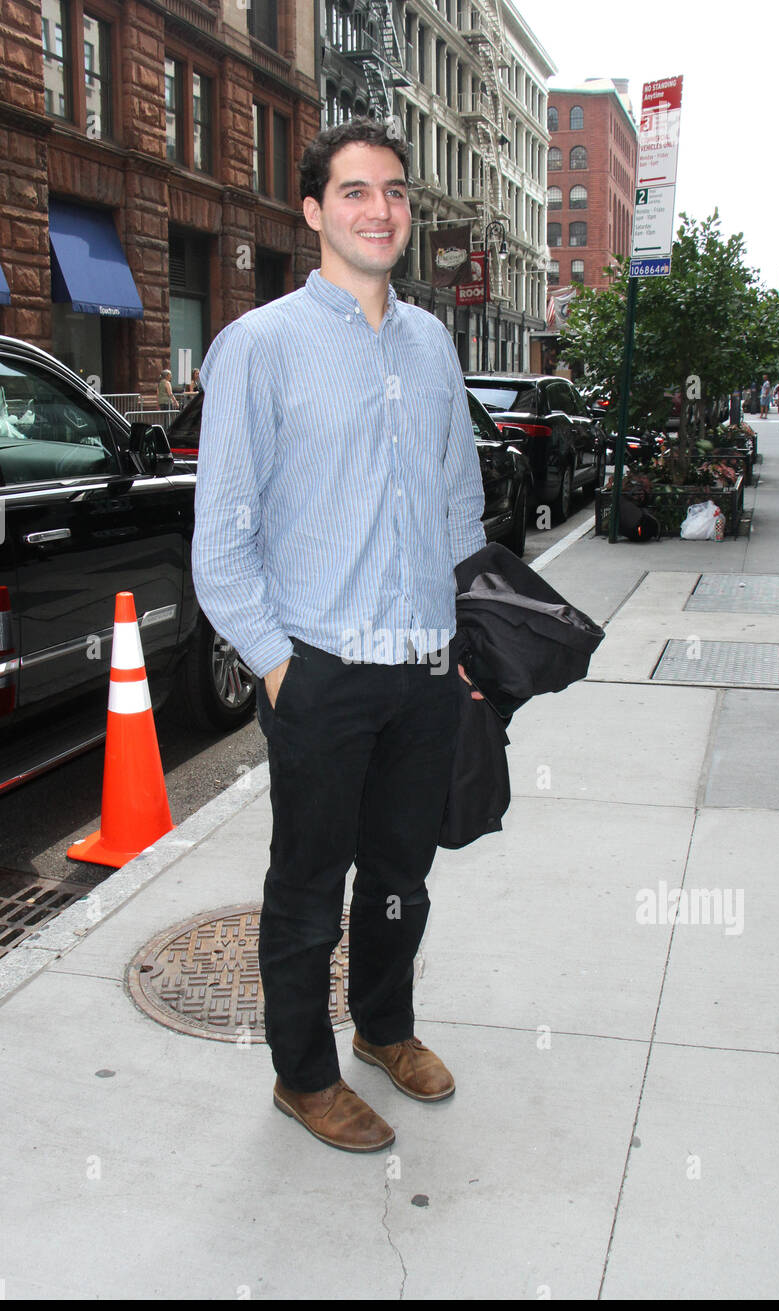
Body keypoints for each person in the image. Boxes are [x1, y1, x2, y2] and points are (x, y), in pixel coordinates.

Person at [191, 119, 487, 1154]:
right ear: (313, 210)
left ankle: (385, 1028)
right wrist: (278, 666)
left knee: (403, 875)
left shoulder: (431, 342)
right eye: (356, 192)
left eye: (395, 192)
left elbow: (459, 504)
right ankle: (302, 1076)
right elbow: (221, 541)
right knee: (309, 884)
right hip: (317, 669)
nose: (381, 210)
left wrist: (458, 645)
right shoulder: (259, 347)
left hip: (420, 670)